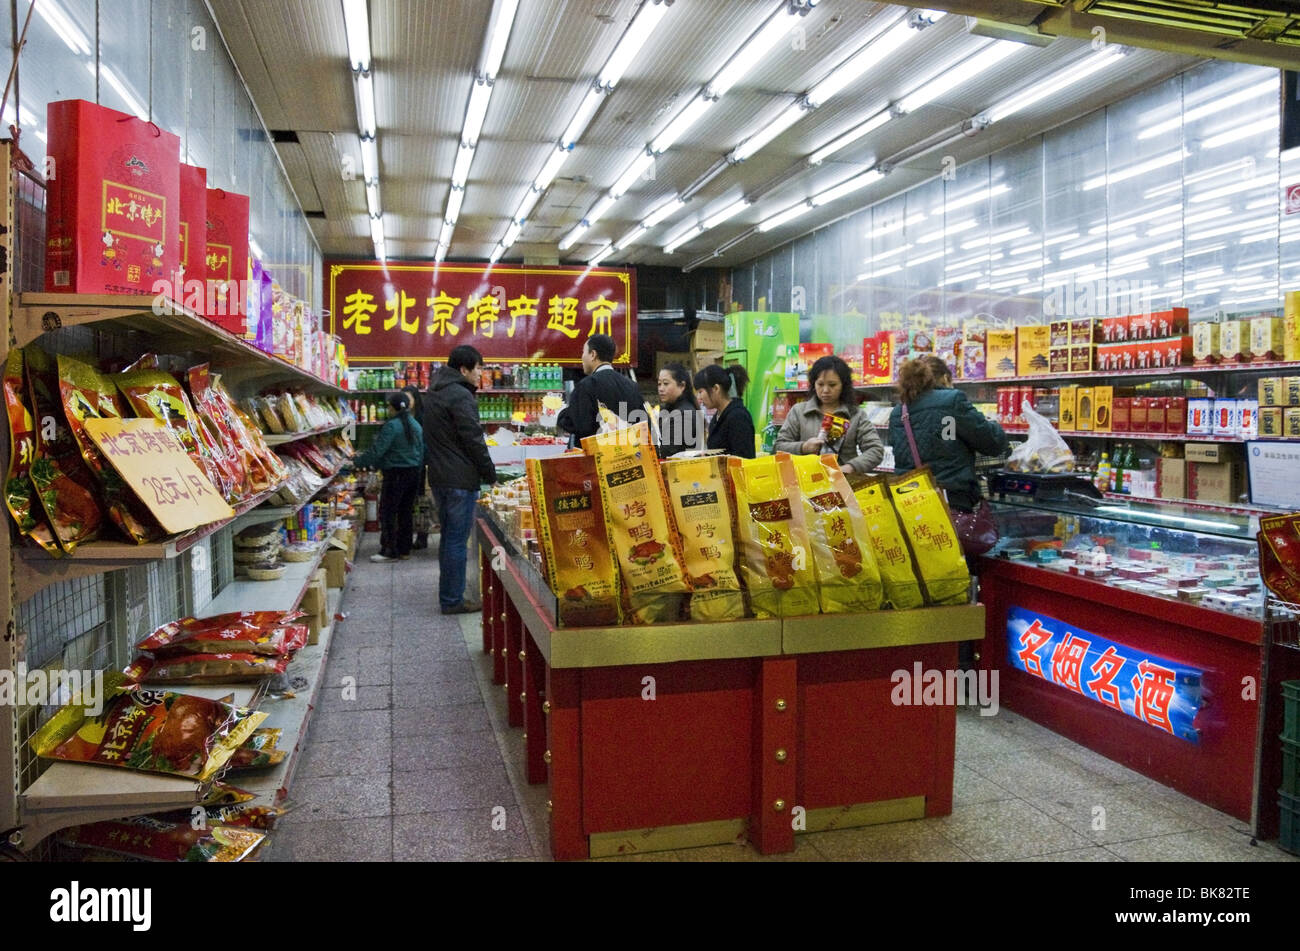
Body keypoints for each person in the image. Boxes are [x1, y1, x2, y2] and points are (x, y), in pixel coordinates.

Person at [424, 345, 497, 614]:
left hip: (441, 477)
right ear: (464, 369)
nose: (481, 373)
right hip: (459, 479)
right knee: (457, 540)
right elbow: (473, 439)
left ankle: (449, 595)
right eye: (478, 368)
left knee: (449, 538)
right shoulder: (460, 396)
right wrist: (490, 473)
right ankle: (452, 600)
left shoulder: (434, 392)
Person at [887, 355, 1010, 512]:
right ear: (945, 378)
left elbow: (944, 438)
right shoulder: (952, 400)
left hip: (911, 497)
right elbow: (992, 443)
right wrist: (993, 424)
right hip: (951, 496)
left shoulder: (898, 411)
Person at [774, 354, 884, 474]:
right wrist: (803, 447)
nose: (825, 390)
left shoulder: (856, 415)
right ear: (813, 384)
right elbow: (779, 446)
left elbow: (875, 450)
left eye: (832, 385)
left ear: (843, 385)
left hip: (845, 484)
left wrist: (850, 467)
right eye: (820, 384)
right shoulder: (799, 411)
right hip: (806, 483)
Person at [352, 392, 424, 564]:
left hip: (396, 474)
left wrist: (356, 462)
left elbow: (378, 451)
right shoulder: (415, 424)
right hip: (413, 473)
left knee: (388, 512)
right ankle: (404, 549)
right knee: (405, 513)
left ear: (392, 408)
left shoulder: (392, 426)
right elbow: (421, 451)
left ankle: (389, 551)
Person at [556, 333, 647, 445]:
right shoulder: (632, 386)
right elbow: (643, 424)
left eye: (583, 352)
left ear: (593, 354)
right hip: (626, 457)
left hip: (595, 457)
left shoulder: (587, 385)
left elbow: (579, 424)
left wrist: (562, 415)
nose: (582, 357)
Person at [694, 363, 755, 458]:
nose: (699, 398)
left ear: (716, 389)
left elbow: (743, 459)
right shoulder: (717, 417)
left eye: (700, 392)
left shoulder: (738, 417)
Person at [401, 383, 433, 550]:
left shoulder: (423, 418)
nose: (406, 401)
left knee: (421, 502)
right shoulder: (400, 418)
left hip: (420, 466)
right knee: (407, 503)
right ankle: (406, 536)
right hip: (405, 466)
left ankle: (422, 536)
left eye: (409, 398)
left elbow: (427, 443)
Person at [655, 362, 706, 458]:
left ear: (682, 386)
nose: (661, 389)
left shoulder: (683, 414)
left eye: (666, 383)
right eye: (659, 384)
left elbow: (666, 451)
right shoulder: (670, 409)